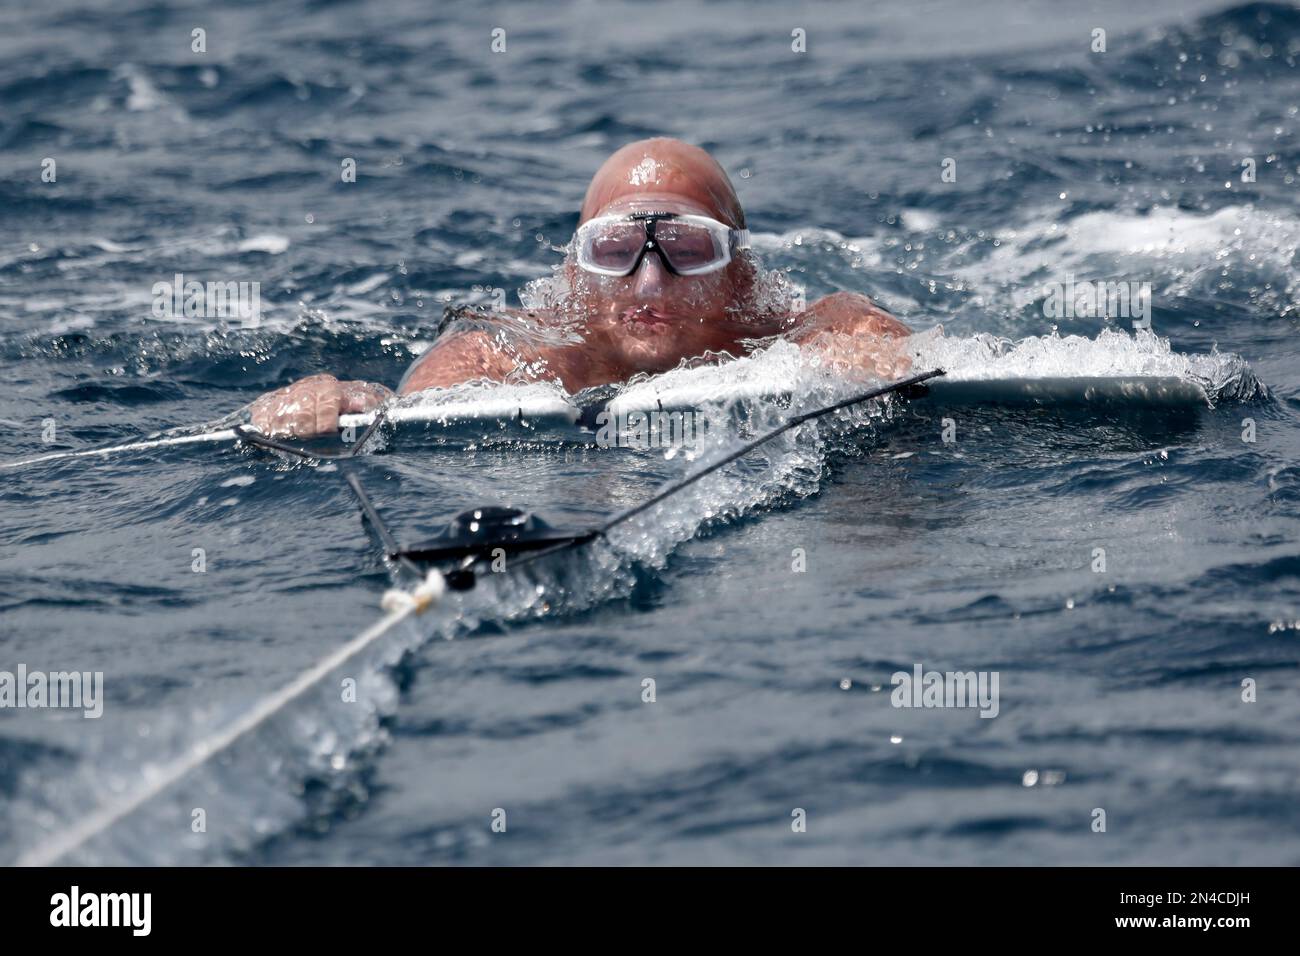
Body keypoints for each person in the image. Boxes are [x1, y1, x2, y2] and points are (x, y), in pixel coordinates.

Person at [249, 137, 912, 437]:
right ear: (575, 272)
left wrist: (866, 362)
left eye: (686, 250)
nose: (649, 280)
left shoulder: (779, 328)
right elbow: (407, 421)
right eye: (615, 251)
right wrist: (341, 397)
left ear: (738, 273)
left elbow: (868, 337)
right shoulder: (513, 350)